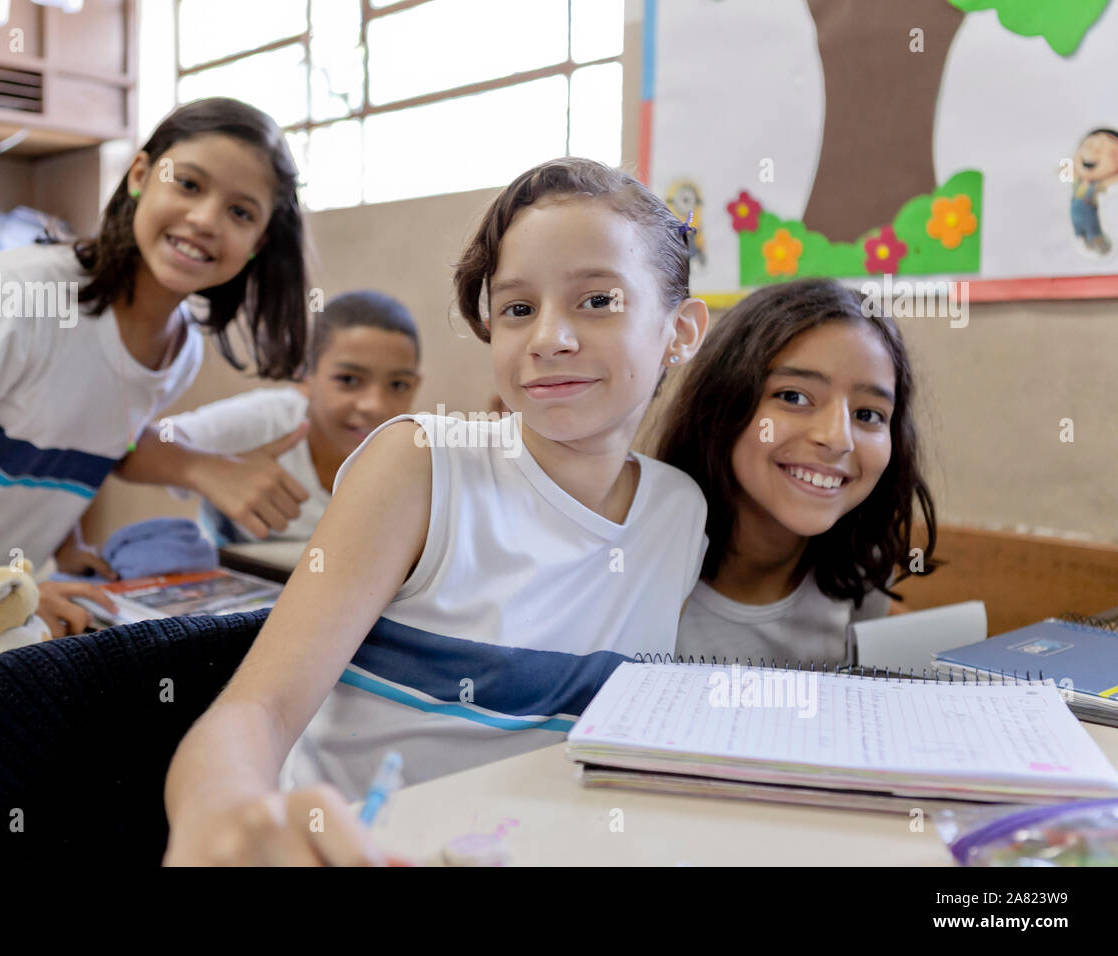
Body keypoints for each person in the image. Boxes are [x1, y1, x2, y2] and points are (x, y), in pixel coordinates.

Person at [162, 157, 711, 865]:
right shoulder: (422, 465)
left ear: (681, 330)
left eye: (598, 300)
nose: (548, 338)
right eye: (517, 309)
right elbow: (255, 710)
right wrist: (222, 808)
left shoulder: (679, 512)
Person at [0, 97, 311, 636]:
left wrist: (68, 543)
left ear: (260, 241)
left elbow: (80, 440)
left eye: (241, 212)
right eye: (189, 184)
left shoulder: (183, 350)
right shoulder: (19, 292)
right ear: (140, 175)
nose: (205, 220)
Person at [658, 278, 937, 665]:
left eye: (868, 414)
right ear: (719, 403)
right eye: (793, 396)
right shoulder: (648, 565)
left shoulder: (861, 569)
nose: (837, 439)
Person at [168, 290, 422, 543]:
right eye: (348, 380)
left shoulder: (415, 462)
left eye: (398, 385)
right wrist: (208, 469)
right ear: (304, 375)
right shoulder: (267, 421)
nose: (374, 406)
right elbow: (153, 439)